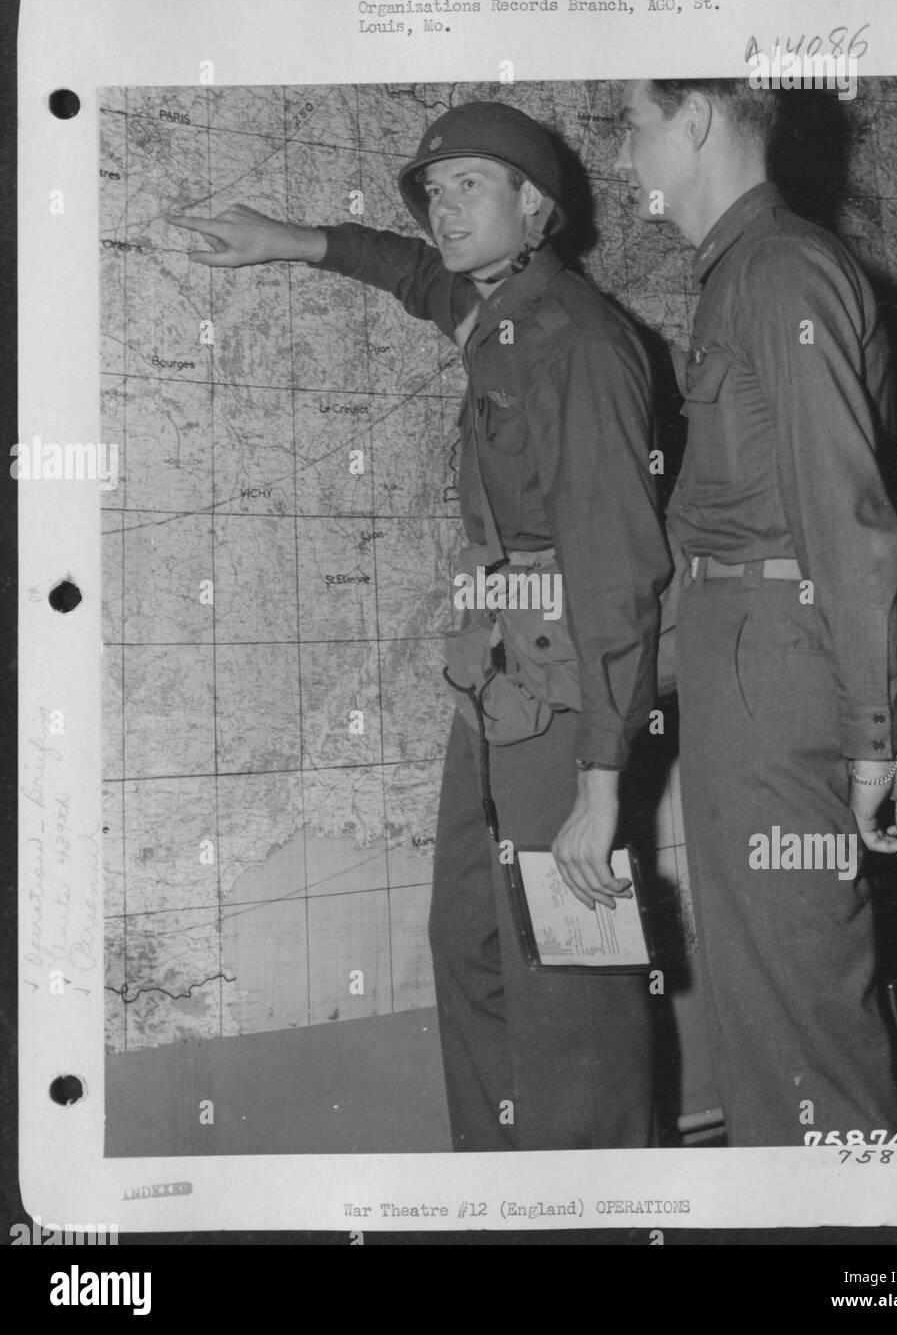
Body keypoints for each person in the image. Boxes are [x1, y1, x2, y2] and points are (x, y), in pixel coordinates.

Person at [167, 101, 672, 1151]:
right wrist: (289, 244)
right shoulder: (496, 309)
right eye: (435, 194)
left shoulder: (579, 341)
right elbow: (409, 273)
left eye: (469, 189)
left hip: (568, 687)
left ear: (536, 207)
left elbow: (619, 569)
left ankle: (600, 1209)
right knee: (472, 941)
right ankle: (498, 1191)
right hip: (493, 679)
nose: (444, 212)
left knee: (570, 972)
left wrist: (600, 781)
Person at [614, 78, 897, 1147]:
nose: (621, 161)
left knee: (801, 1032)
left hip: (774, 675)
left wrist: (873, 740)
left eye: (632, 126)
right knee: (780, 1016)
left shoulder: (781, 270)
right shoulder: (742, 273)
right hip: (739, 660)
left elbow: (845, 518)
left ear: (693, 121)